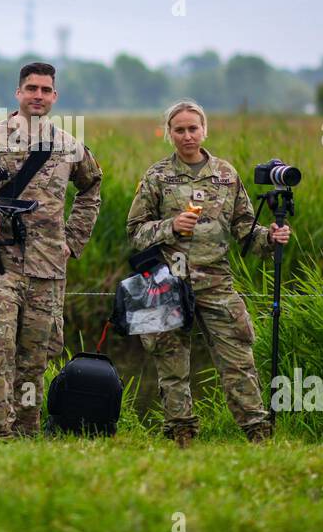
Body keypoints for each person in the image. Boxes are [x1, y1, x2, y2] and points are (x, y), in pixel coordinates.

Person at [0, 61, 103, 438]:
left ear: (54, 96)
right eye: (31, 88)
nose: (38, 95)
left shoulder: (68, 146)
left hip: (48, 268)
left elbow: (91, 189)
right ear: (18, 93)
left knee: (35, 360)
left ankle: (27, 435)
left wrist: (72, 240)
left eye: (45, 90)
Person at [125, 100, 291, 448]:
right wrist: (171, 226)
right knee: (172, 365)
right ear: (169, 133)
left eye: (193, 128)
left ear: (205, 130)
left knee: (238, 360)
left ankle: (258, 435)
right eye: (179, 129)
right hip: (166, 282)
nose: (187, 135)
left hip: (216, 281)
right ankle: (181, 435)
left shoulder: (226, 175)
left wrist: (270, 237)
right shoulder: (157, 176)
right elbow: (135, 232)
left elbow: (245, 229)